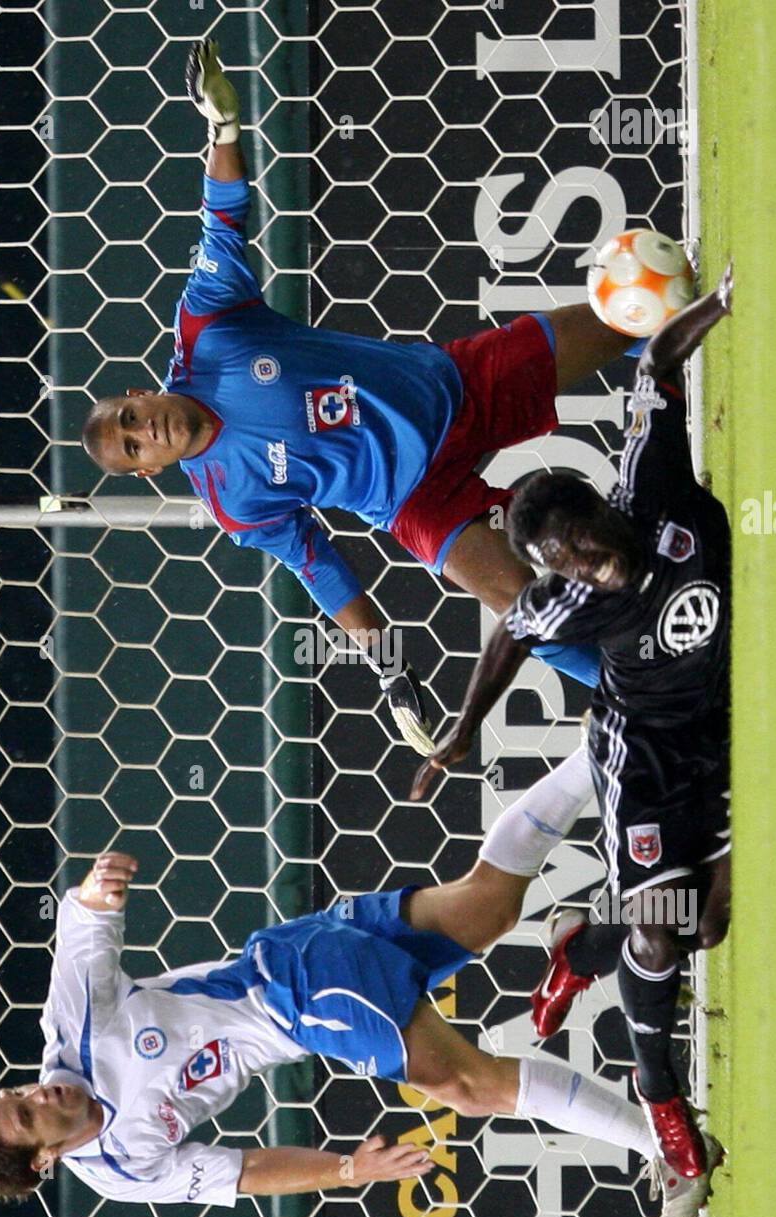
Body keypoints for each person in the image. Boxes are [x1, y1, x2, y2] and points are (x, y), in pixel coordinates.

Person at [80, 40, 650, 752]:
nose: (146, 432)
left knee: (622, 315)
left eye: (131, 417)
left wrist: (220, 129)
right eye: (135, 447)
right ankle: (650, 697)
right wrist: (382, 662)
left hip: (451, 386)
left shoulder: (207, 329)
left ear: (139, 393)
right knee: (517, 604)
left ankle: (704, 320)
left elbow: (220, 219)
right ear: (148, 471)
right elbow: (314, 562)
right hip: (412, 499)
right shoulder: (233, 501)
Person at [0, 747, 722, 1217]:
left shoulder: (73, 1033)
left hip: (291, 991)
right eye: (28, 1113)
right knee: (488, 904)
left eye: (17, 1090)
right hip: (304, 962)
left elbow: (83, 933)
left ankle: (668, 1148)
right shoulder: (121, 1171)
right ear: (46, 1160)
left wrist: (94, 891)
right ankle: (605, 748)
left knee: (467, 1084)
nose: (39, 1089)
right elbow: (245, 1173)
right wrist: (348, 1171)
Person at [410, 269, 733, 1184]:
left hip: (713, 721)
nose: (590, 569)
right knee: (676, 932)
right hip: (651, 760)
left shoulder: (650, 486)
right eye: (567, 567)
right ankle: (662, 1104)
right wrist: (465, 731)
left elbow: (659, 359)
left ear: (596, 509)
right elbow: (509, 634)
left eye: (586, 546)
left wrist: (717, 301)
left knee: (692, 920)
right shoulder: (564, 603)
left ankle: (579, 945)